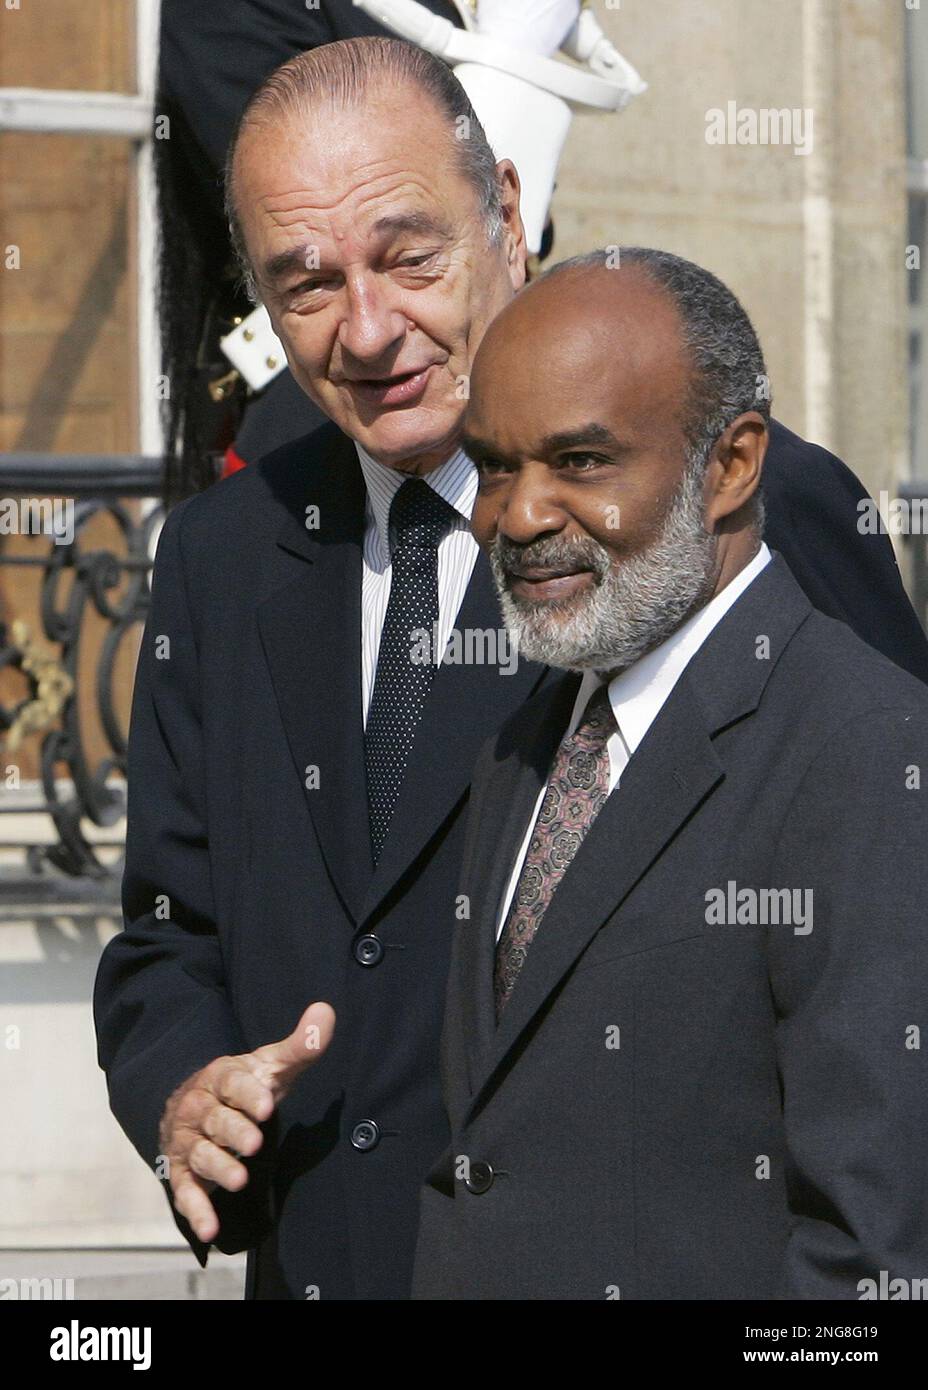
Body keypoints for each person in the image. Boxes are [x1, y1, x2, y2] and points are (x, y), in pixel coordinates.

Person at [95, 38, 928, 1303]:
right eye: (306, 283)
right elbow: (167, 933)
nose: (367, 330)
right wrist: (183, 1086)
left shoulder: (749, 504)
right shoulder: (220, 554)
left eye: (409, 255)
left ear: (506, 211)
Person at [411, 249, 928, 1300]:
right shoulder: (529, 739)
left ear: (732, 463)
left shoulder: (865, 749)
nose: (517, 516)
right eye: (496, 465)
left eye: (581, 461)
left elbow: (873, 1254)